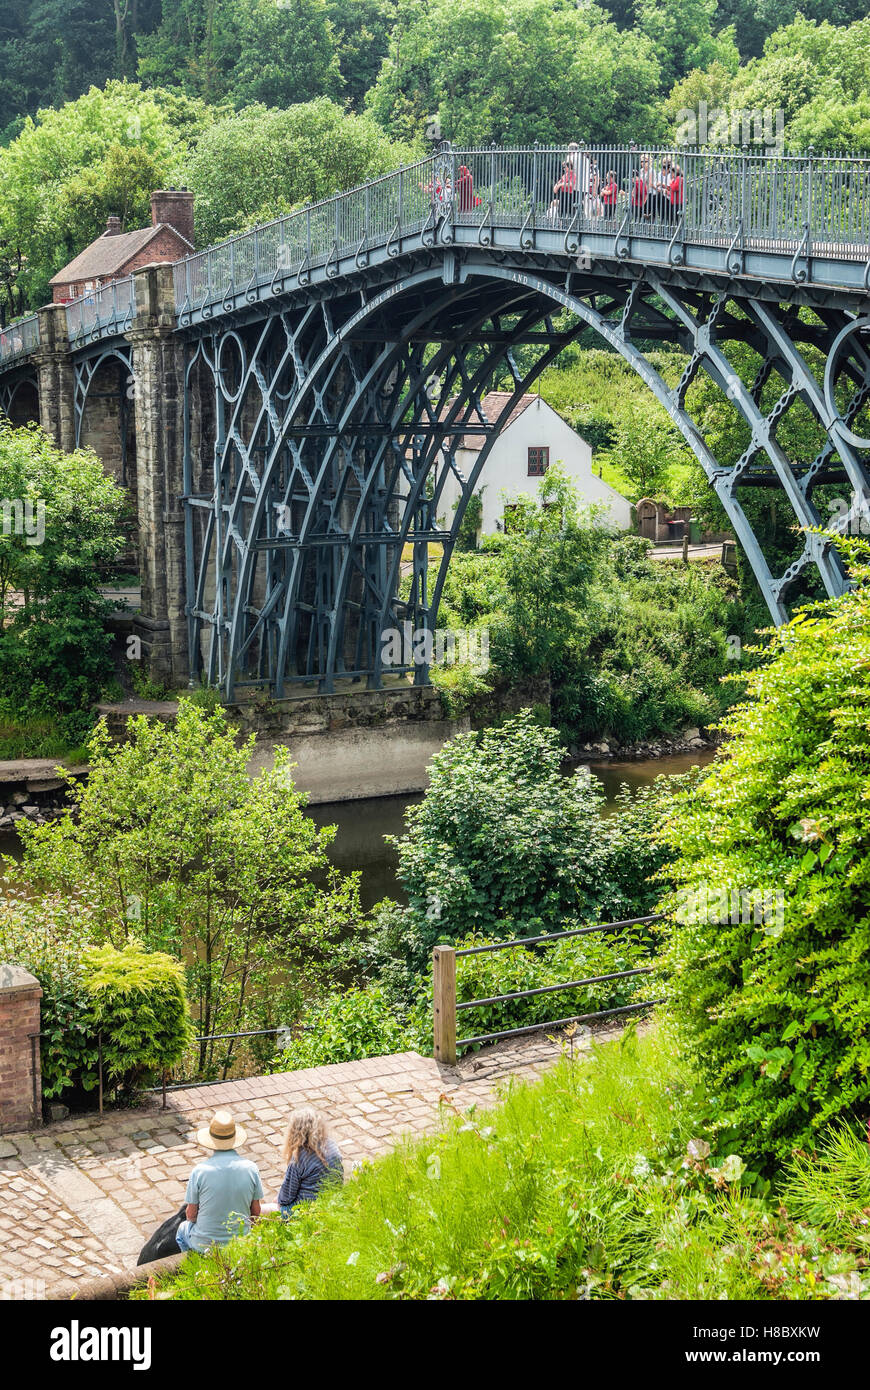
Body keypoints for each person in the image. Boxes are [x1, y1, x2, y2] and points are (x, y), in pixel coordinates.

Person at [176, 1110, 264, 1253]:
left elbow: (191, 1215)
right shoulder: (251, 1169)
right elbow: (255, 1212)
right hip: (239, 1243)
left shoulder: (199, 1171)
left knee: (181, 1231)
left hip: (204, 1245)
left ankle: (192, 1263)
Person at [272, 1107, 343, 1216]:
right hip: (331, 1202)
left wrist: (277, 1199)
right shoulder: (332, 1146)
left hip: (305, 1209)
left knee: (265, 1208)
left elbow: (285, 1198)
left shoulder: (299, 1158)